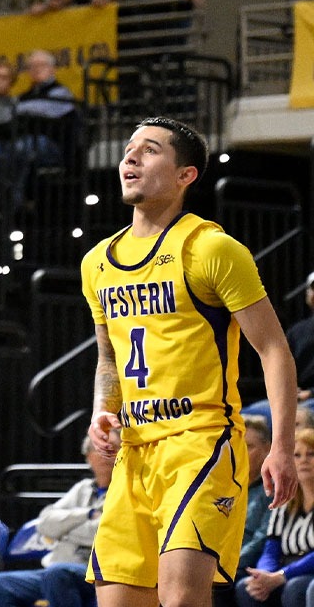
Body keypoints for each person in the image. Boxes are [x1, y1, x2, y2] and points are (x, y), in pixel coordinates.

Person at [84, 117, 300, 607]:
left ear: (186, 175)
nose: (131, 157)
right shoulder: (97, 261)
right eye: (129, 148)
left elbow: (274, 350)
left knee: (181, 597)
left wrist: (282, 447)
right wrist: (103, 407)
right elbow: (108, 354)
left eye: (150, 150)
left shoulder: (212, 249)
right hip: (134, 450)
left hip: (201, 442)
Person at [0, 438, 112, 607]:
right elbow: (45, 523)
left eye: (112, 449)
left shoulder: (126, 489)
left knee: (57, 574)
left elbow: (104, 533)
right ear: (88, 457)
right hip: (55, 571)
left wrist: (63, 530)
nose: (106, 455)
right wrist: (88, 514)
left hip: (97, 573)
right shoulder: (82, 488)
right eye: (99, 449)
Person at [238, 427, 314, 607]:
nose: (303, 460)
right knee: (248, 587)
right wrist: (265, 574)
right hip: (284, 569)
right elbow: (271, 549)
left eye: (311, 454)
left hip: (304, 571)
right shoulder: (286, 501)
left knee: (295, 588)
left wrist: (282, 575)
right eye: (296, 455)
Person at [248, 417, 280, 574]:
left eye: (249, 446)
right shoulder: (221, 487)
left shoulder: (272, 488)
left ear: (267, 448)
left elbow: (262, 538)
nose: (240, 452)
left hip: (245, 566)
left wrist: (224, 565)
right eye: (236, 446)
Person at [15, 50, 80, 120]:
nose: (37, 69)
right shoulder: (25, 95)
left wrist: (17, 108)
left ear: (52, 69)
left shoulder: (61, 92)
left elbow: (46, 110)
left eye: (42, 65)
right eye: (32, 66)